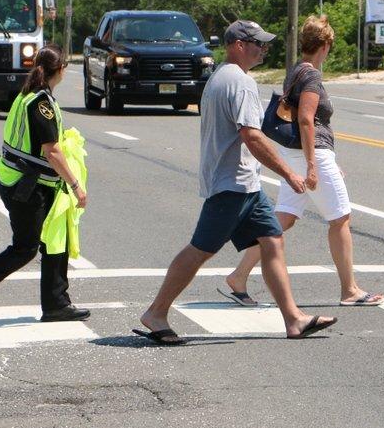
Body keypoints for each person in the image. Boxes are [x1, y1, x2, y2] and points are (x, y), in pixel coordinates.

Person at [135, 19, 337, 345]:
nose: (264, 48)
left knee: (272, 241)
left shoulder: (220, 77)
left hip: (245, 184)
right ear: (238, 45)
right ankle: (156, 312)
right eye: (258, 43)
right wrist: (288, 173)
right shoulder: (240, 82)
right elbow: (252, 136)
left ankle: (293, 319)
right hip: (232, 185)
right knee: (200, 250)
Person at [222, 15, 384, 307]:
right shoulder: (311, 76)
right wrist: (314, 165)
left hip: (295, 155)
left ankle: (239, 275)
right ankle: (350, 290)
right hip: (311, 156)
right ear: (324, 46)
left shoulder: (295, 71)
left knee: (282, 219)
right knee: (340, 219)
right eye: (329, 45)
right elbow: (307, 121)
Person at [0, 44, 90, 324]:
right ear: (60, 69)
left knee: (54, 239)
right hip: (27, 187)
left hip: (27, 183)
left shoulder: (28, 96)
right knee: (25, 248)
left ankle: (56, 303)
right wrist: (75, 185)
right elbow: (52, 151)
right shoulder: (41, 103)